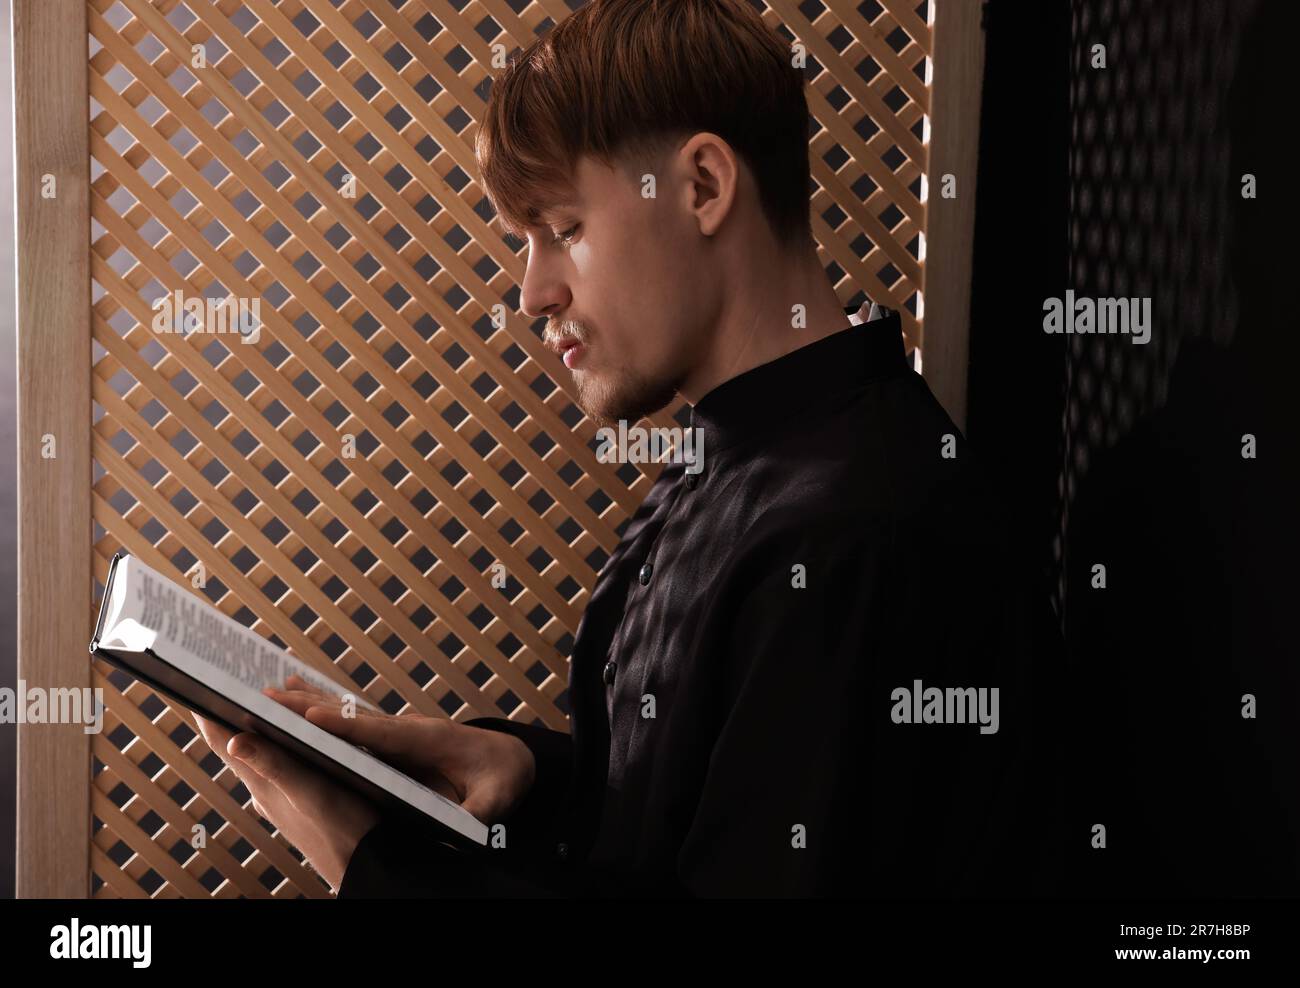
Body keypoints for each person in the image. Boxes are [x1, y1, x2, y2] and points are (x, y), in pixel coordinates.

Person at [196, 0, 1063, 897]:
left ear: (701, 188)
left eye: (563, 230)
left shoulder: (853, 536)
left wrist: (368, 862)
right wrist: (533, 773)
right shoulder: (744, 463)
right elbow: (699, 813)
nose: (531, 293)